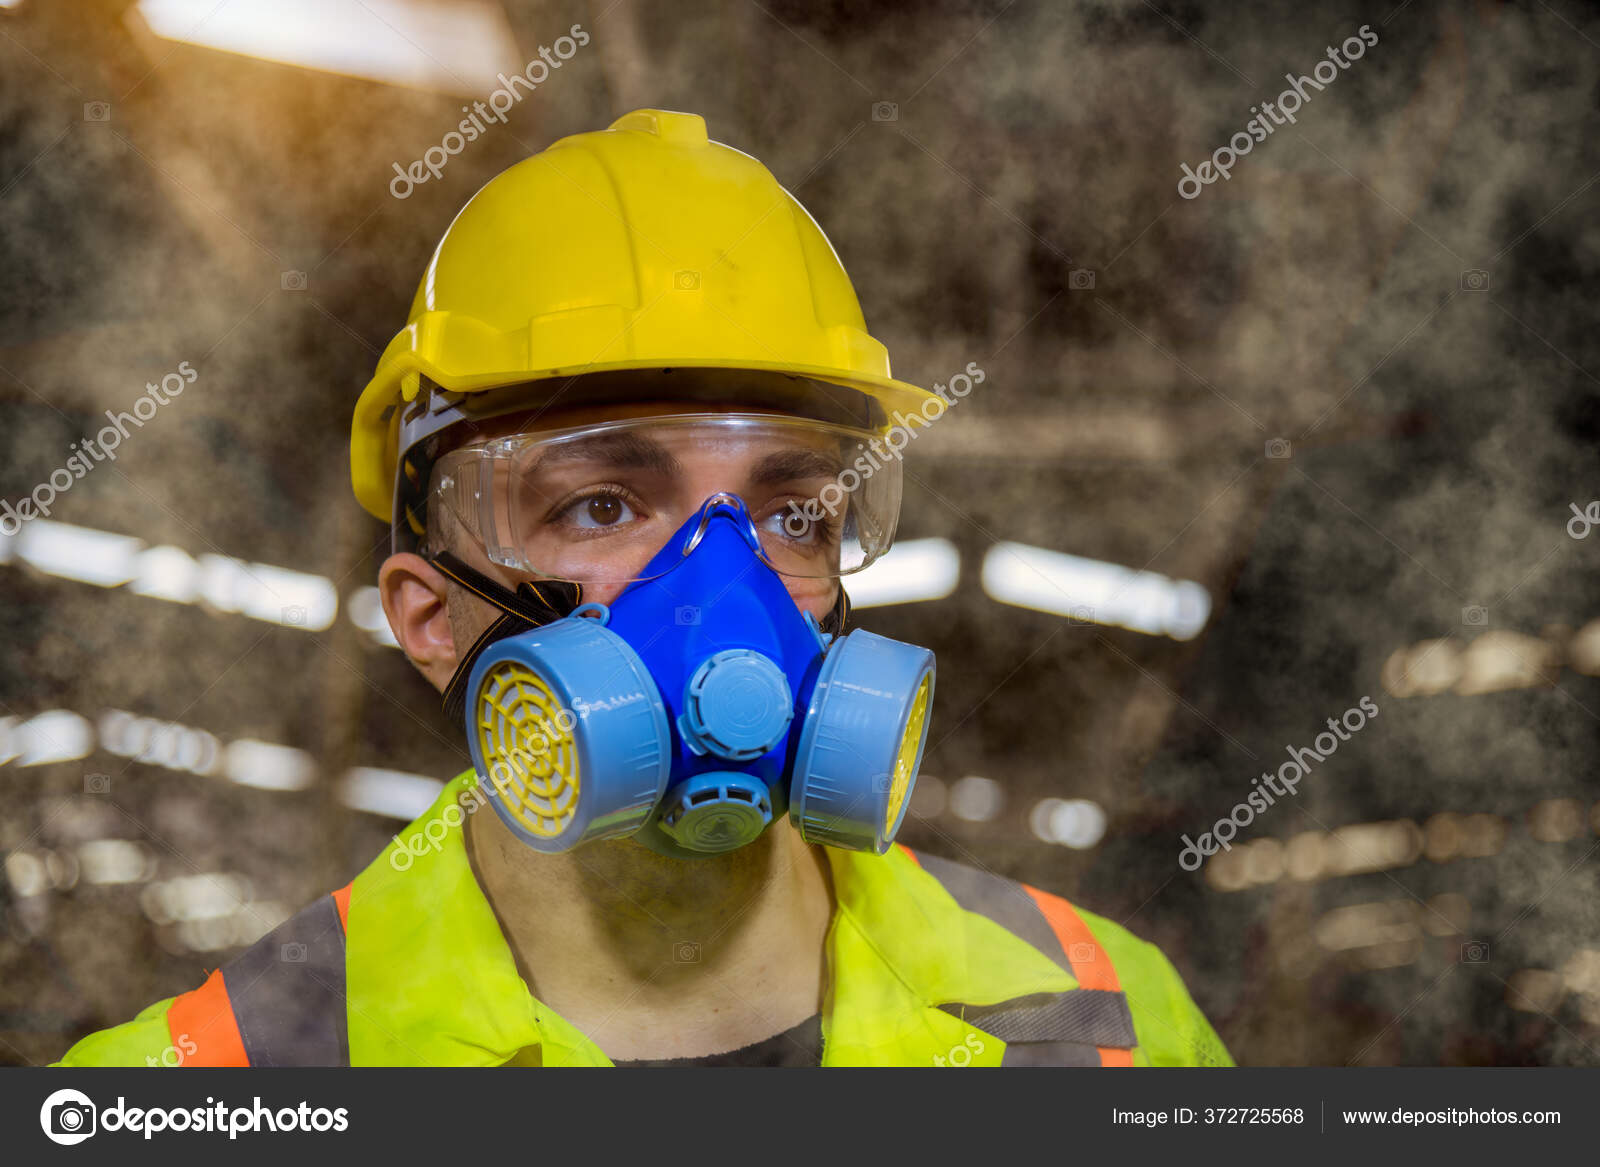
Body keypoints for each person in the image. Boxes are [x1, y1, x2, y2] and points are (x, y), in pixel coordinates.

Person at [55, 109, 1230, 1067]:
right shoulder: (218, 1081)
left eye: (794, 513)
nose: (727, 586)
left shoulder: (1107, 1025)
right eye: (602, 504)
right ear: (429, 613)